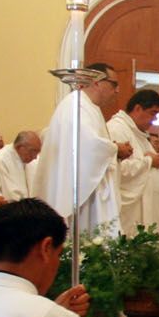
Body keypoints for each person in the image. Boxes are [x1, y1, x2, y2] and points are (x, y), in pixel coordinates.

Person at [30, 62, 123, 237]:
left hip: (92, 187)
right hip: (83, 192)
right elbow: (88, 146)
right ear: (96, 82)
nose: (117, 91)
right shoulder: (76, 105)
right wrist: (115, 148)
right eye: (114, 84)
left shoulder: (89, 107)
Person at [107, 89, 159, 235]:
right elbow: (118, 169)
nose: (154, 120)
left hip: (147, 208)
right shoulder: (116, 128)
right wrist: (148, 161)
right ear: (138, 108)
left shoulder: (138, 134)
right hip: (129, 210)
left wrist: (152, 160)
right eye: (152, 113)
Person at [0, 130, 40, 207]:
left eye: (37, 152)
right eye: (33, 151)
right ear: (20, 147)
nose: (35, 157)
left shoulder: (31, 161)